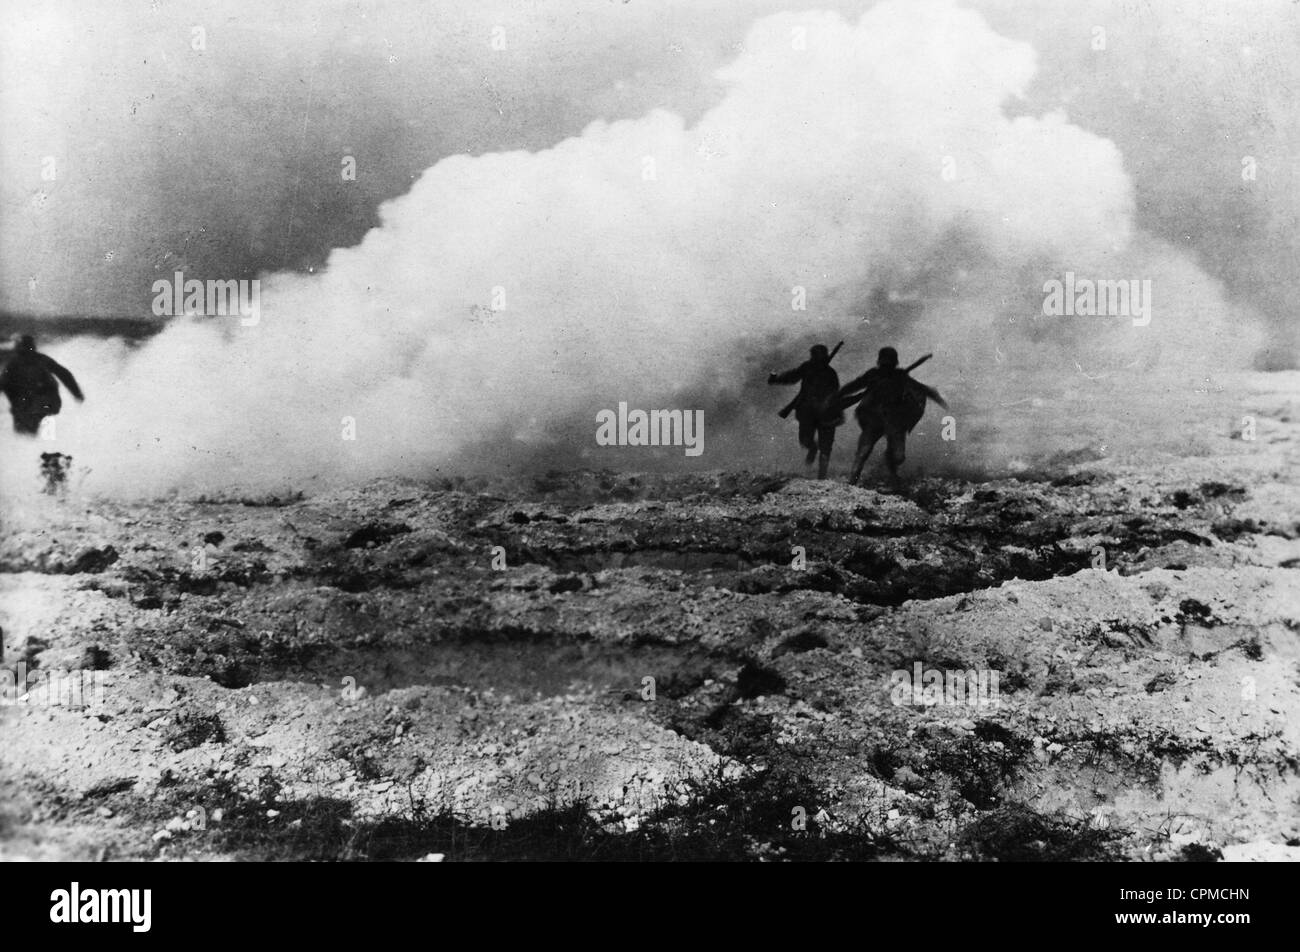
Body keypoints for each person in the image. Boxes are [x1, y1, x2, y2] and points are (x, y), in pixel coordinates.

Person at [835, 346, 946, 484]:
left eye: (890, 362)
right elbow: (854, 385)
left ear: (894, 363)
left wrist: (937, 398)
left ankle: (889, 469)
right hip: (873, 418)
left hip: (894, 419)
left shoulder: (900, 376)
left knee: (898, 456)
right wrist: (839, 395)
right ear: (880, 362)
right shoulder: (873, 375)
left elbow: (920, 388)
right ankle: (852, 483)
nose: (887, 365)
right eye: (884, 362)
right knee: (863, 451)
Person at [768, 343, 844, 479]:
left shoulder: (830, 373)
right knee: (805, 440)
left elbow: (836, 394)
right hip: (807, 411)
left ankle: (822, 478)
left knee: (826, 446)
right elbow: (792, 377)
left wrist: (836, 411)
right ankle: (812, 449)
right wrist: (776, 380)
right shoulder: (807, 368)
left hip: (824, 413)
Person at [0, 335, 84, 435]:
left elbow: (64, 374)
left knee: (32, 431)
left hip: (39, 405)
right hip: (42, 405)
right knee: (39, 433)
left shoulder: (15, 363)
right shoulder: (40, 359)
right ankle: (42, 443)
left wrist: (77, 393)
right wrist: (77, 394)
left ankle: (39, 443)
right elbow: (64, 374)